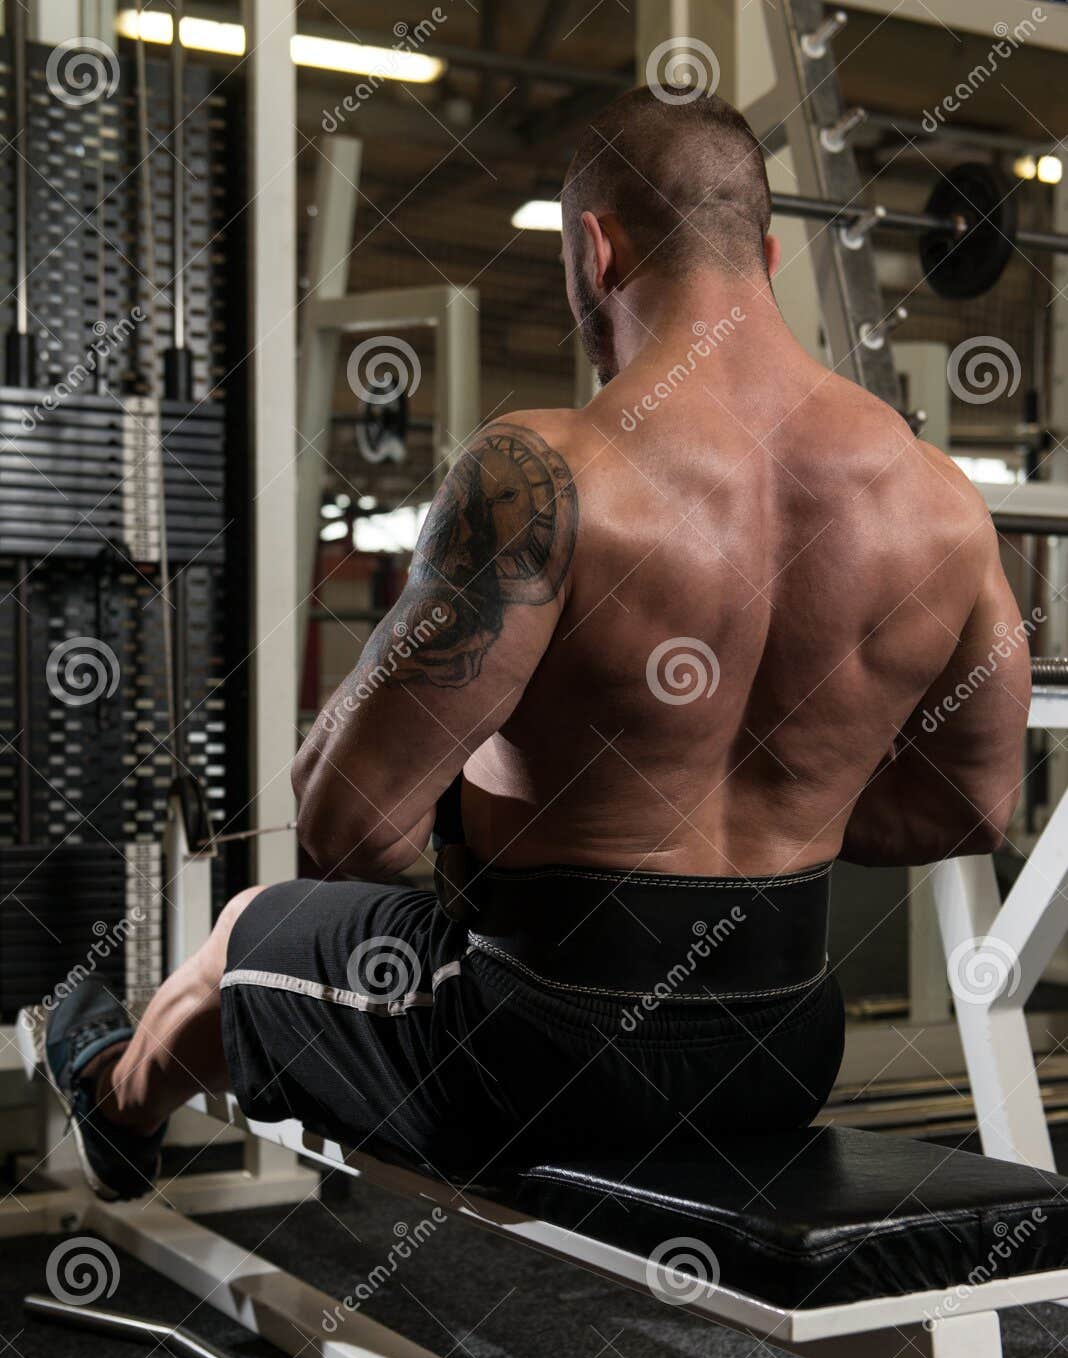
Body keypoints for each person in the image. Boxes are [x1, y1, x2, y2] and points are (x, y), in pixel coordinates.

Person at [39, 86, 1029, 1200]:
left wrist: (471, 782)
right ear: (764, 249)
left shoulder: (546, 471)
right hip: (786, 1048)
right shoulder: (942, 501)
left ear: (594, 250)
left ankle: (114, 1100)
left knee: (250, 927)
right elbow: (970, 811)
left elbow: (344, 827)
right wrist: (767, 813)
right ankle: (113, 1080)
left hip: (541, 1054)